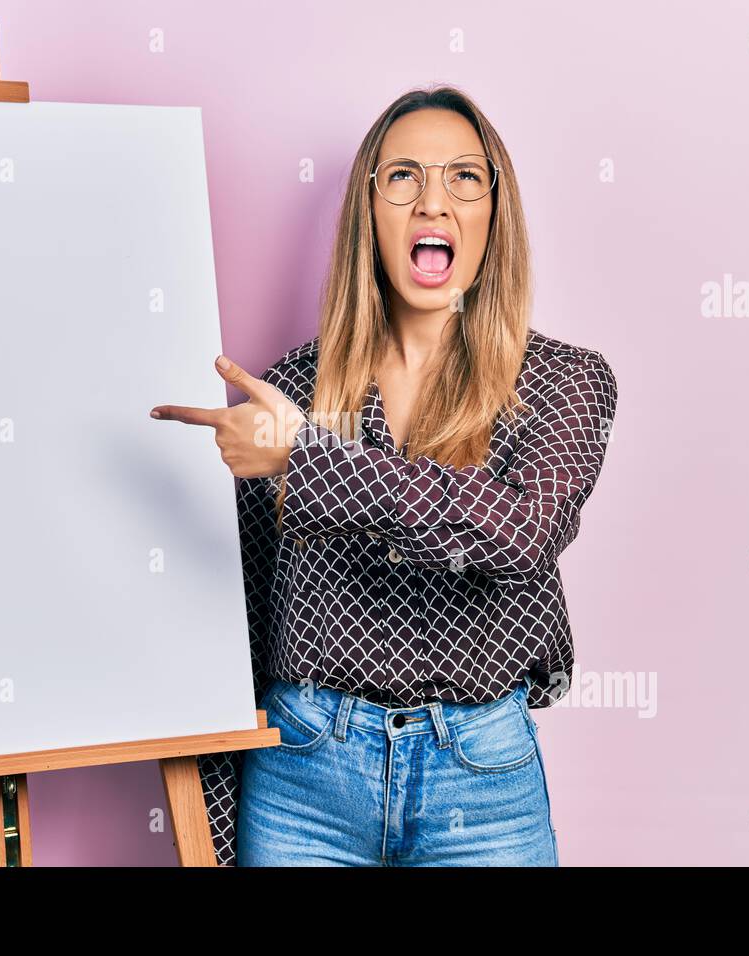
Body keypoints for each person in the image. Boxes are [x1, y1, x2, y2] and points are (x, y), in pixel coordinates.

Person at [149, 84, 617, 866]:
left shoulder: (565, 383)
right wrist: (219, 838)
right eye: (403, 177)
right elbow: (241, 640)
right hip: (303, 777)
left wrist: (308, 463)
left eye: (463, 177)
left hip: (483, 781)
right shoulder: (290, 394)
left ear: (495, 212)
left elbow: (517, 533)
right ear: (370, 209)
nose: (433, 201)